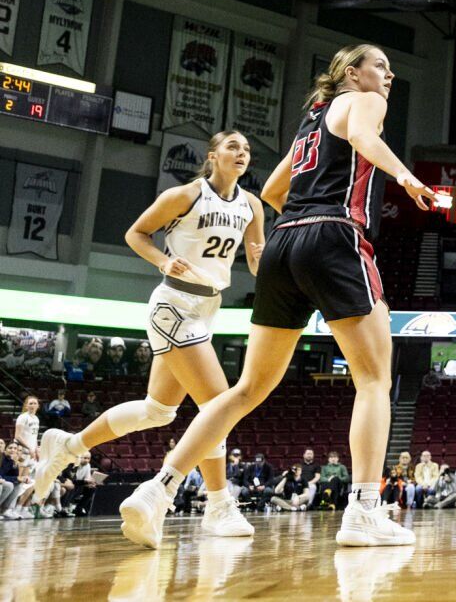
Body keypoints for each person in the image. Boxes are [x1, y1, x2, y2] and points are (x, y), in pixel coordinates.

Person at [119, 45, 437, 549]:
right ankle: (363, 511)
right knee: (375, 379)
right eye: (380, 65)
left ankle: (158, 489)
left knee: (247, 389)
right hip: (333, 235)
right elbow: (362, 137)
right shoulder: (365, 100)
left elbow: (270, 190)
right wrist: (405, 177)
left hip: (284, 242)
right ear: (351, 73)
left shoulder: (312, 121)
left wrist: (306, 215)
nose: (389, 75)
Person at [33, 130, 265, 540]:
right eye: (233, 146)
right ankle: (218, 505)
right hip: (174, 304)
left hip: (208, 309)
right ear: (213, 155)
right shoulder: (185, 195)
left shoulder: (252, 205)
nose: (241, 152)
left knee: (158, 411)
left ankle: (68, 446)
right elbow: (136, 233)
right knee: (218, 404)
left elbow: (256, 258)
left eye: (246, 148)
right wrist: (163, 261)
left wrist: (275, 266)